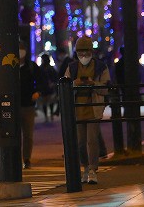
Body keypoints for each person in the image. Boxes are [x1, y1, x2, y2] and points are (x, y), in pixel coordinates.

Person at [64, 36, 109, 185]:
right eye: (80, 52)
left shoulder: (101, 67)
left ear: (91, 52)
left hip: (93, 108)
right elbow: (65, 88)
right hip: (77, 109)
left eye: (86, 52)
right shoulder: (72, 68)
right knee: (80, 142)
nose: (83, 56)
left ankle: (92, 170)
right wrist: (75, 84)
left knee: (92, 141)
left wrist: (93, 83)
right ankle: (85, 167)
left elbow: (106, 89)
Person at [19, 41, 42, 169]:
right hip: (15, 105)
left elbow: (41, 81)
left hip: (28, 105)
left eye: (22, 49)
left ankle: (26, 158)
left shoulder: (31, 66)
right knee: (15, 134)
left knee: (28, 134)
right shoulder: (10, 66)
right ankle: (17, 158)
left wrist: (37, 92)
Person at [38, 53, 59, 122]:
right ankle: (50, 115)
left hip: (44, 88)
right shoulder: (51, 68)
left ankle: (46, 116)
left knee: (45, 103)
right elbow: (56, 78)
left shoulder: (41, 68)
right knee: (50, 103)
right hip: (49, 88)